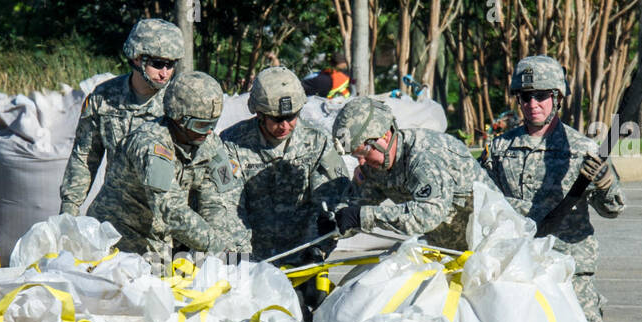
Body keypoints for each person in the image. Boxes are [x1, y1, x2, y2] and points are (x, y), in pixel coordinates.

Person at [479, 55, 626, 322]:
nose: (533, 105)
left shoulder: (581, 149)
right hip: (518, 271)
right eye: (526, 97)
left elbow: (615, 207)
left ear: (557, 99)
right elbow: (484, 202)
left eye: (542, 96)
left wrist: (602, 182)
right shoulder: (500, 148)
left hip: (568, 270)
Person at [91, 71, 249, 258]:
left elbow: (218, 201)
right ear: (178, 119)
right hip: (118, 238)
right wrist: (217, 248)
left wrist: (232, 249)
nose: (208, 132)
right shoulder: (150, 144)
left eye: (212, 124)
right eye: (200, 125)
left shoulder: (210, 144)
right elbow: (171, 209)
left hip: (161, 240)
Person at [324, 96, 499, 253]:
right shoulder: (375, 165)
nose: (361, 163)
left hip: (493, 248)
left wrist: (362, 216)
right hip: (452, 252)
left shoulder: (424, 155)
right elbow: (354, 206)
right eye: (356, 156)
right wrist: (330, 229)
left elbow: (428, 214)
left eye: (364, 152)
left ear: (384, 135)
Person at [220, 66, 350, 264]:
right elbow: (225, 203)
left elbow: (334, 199)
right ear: (260, 114)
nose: (285, 126)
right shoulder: (232, 143)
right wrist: (241, 257)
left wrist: (320, 248)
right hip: (249, 259)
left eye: (291, 117)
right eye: (277, 119)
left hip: (303, 257)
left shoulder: (316, 142)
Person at [58, 18, 184, 216]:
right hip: (112, 217)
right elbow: (84, 156)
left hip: (161, 222)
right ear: (136, 58)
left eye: (171, 65)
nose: (165, 73)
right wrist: (69, 210)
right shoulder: (104, 97)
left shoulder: (179, 102)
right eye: (158, 64)